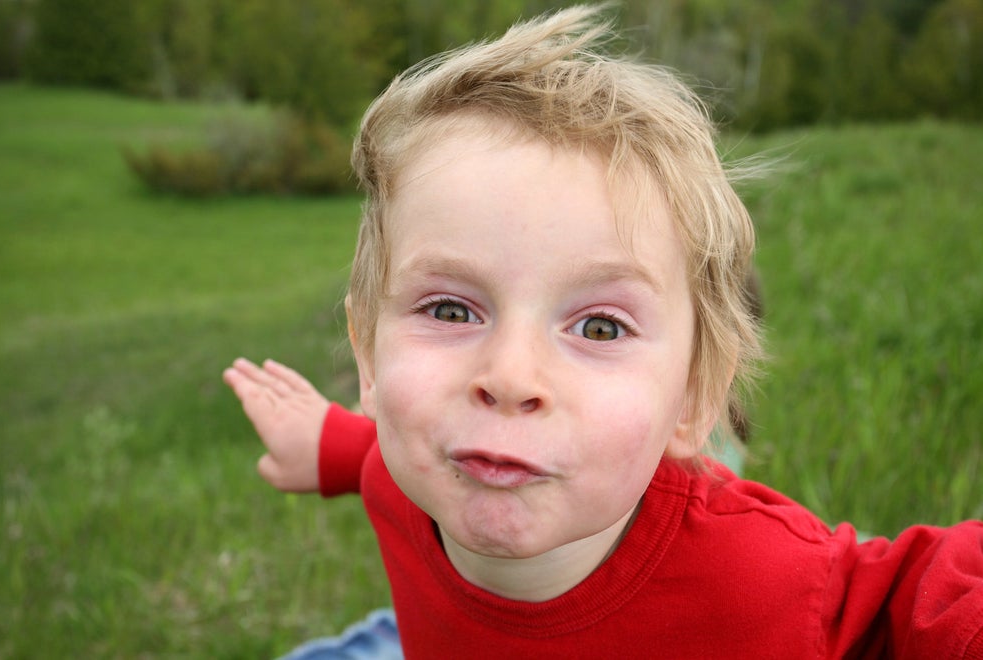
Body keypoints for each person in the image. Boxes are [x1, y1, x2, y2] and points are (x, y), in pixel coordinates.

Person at [223, 6, 983, 657]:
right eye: (452, 311)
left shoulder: (763, 576)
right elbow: (376, 453)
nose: (511, 377)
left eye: (598, 326)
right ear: (367, 354)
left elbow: (925, 605)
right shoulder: (418, 465)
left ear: (694, 399)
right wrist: (324, 444)